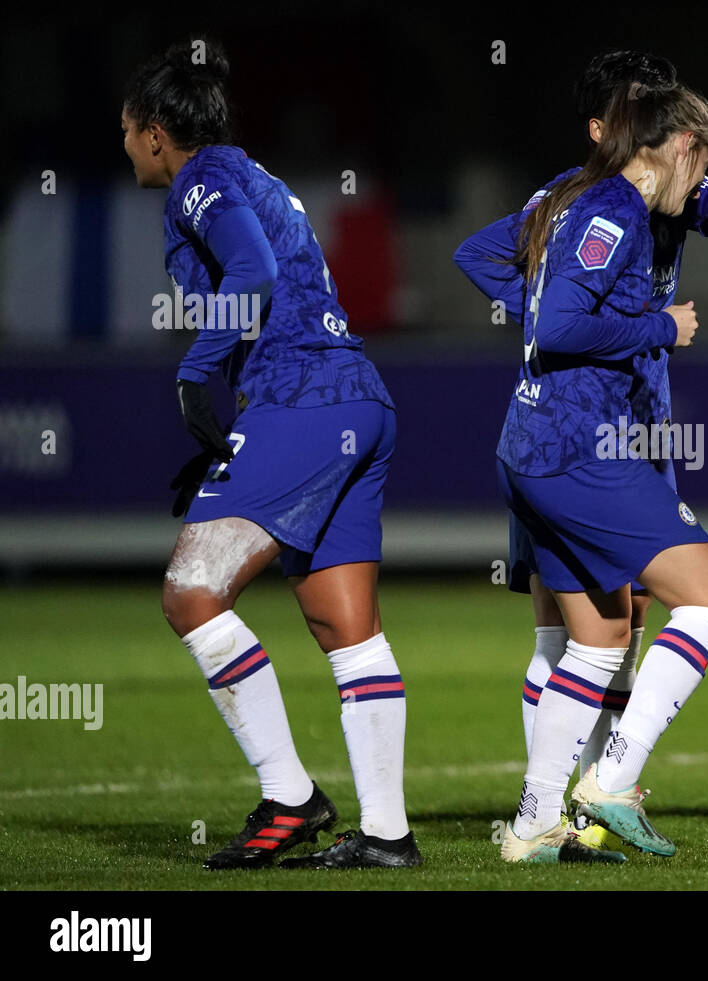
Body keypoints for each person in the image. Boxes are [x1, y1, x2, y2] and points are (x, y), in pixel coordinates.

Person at [454, 51, 708, 856]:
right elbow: (560, 325)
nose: (701, 178)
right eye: (697, 157)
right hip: (578, 444)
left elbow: (543, 303)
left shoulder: (574, 197)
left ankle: (533, 824)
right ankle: (612, 779)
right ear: (668, 144)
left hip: (533, 442)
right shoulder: (616, 211)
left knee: (596, 637)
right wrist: (658, 326)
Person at [123, 38, 419, 869]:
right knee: (345, 627)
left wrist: (195, 373)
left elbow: (250, 272)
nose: (125, 148)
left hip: (303, 401)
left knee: (191, 592)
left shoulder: (200, 180)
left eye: (125, 131)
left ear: (153, 133)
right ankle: (388, 835)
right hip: (357, 394)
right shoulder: (249, 173)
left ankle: (290, 796)